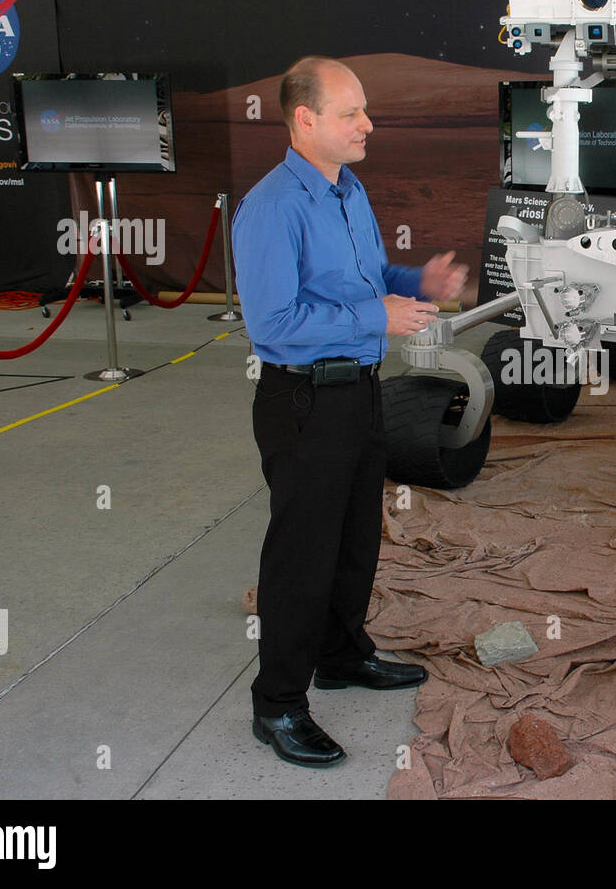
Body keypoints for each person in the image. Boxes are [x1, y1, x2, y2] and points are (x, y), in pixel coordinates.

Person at [232, 56, 468, 768]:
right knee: (302, 557)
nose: (368, 124)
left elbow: (361, 280)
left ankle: (340, 653)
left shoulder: (347, 188)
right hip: (303, 398)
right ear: (305, 121)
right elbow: (273, 322)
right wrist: (377, 312)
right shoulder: (272, 207)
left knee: (357, 537)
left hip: (359, 389)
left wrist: (412, 280)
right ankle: (276, 704)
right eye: (351, 114)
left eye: (365, 110)